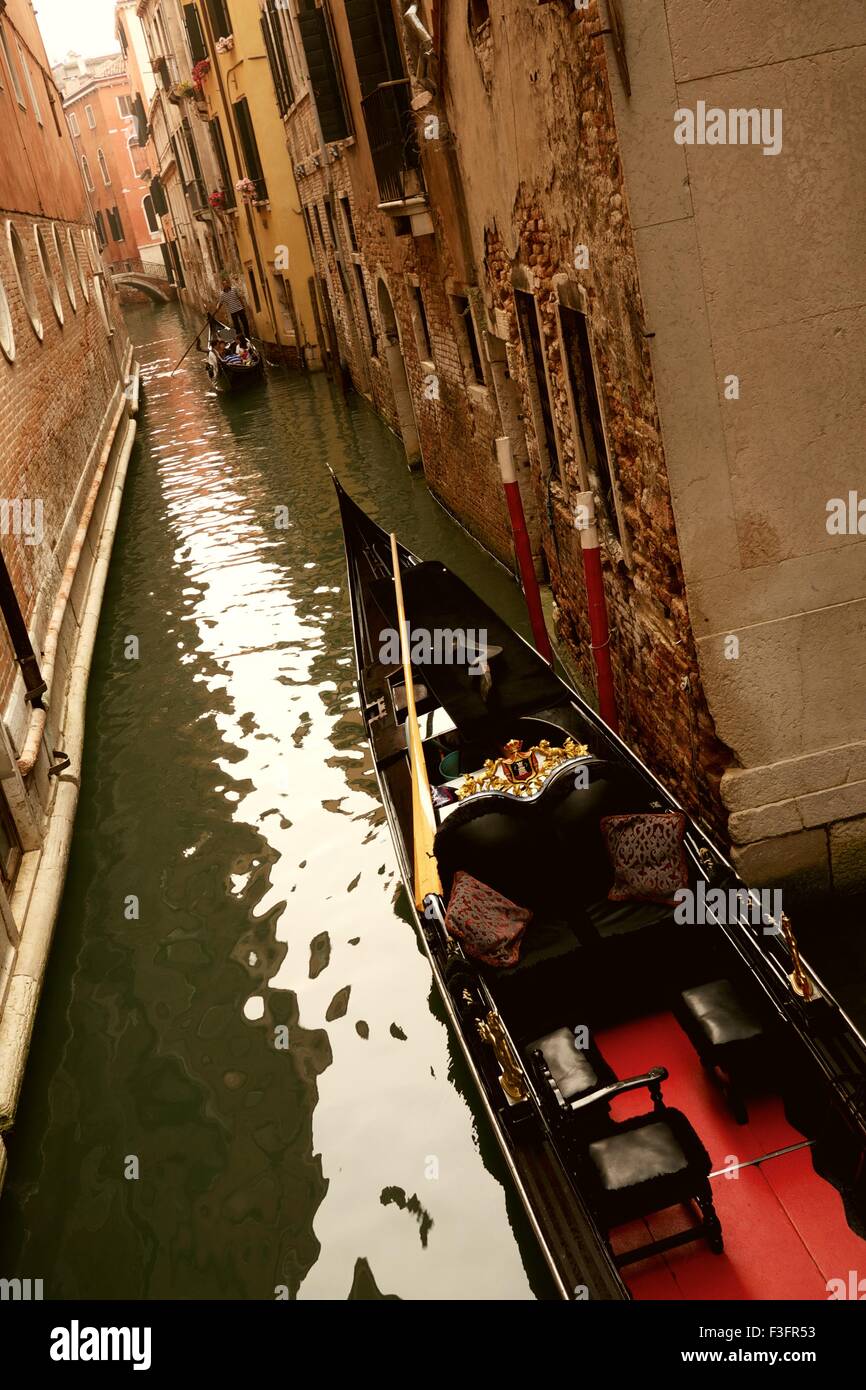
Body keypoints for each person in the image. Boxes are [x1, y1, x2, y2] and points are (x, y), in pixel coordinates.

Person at [215, 277, 251, 341]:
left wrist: (243, 306)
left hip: (240, 309)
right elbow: (220, 302)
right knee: (237, 326)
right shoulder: (222, 294)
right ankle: (241, 338)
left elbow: (240, 298)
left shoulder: (234, 289)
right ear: (222, 285)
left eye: (226, 283)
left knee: (245, 323)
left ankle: (248, 336)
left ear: (228, 284)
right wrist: (217, 307)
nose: (225, 285)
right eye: (224, 284)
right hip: (233, 312)